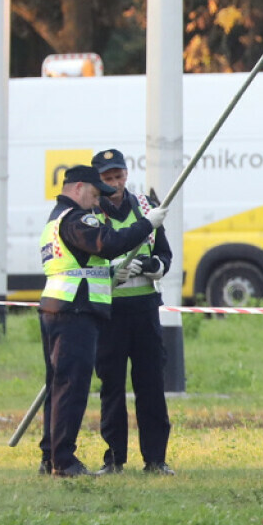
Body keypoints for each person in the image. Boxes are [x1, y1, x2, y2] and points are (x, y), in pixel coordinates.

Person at [37, 165, 165, 478]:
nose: (97, 203)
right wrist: (146, 224)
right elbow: (106, 243)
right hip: (75, 311)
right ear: (78, 187)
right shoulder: (76, 218)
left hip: (61, 306)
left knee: (57, 387)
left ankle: (50, 457)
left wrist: (112, 272)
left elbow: (79, 265)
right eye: (95, 194)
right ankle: (63, 462)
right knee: (71, 388)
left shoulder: (56, 220)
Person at [89, 148, 176, 475]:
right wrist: (112, 271)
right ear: (98, 181)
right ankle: (114, 460)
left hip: (144, 310)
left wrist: (156, 266)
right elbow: (88, 259)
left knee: (151, 385)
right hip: (109, 313)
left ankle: (156, 460)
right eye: (108, 179)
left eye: (119, 176)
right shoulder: (91, 213)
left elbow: (165, 254)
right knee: (111, 387)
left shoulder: (145, 207)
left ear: (126, 173)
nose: (115, 183)